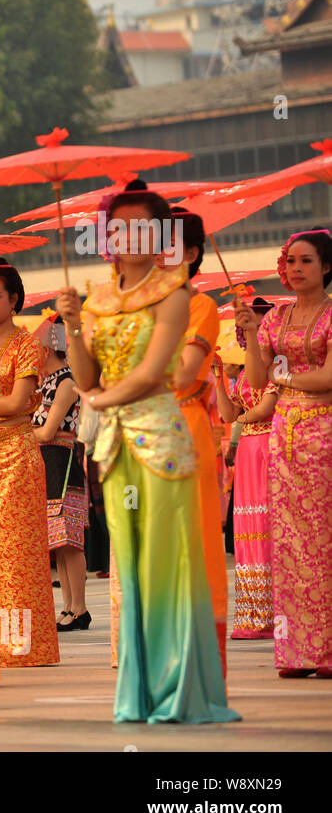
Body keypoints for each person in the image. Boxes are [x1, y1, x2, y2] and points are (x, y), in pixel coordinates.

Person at [56, 180, 237, 723]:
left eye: (140, 225)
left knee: (169, 560)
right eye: (117, 225)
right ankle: (139, 688)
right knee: (130, 564)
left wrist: (99, 399)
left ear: (160, 236)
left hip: (160, 436)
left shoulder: (176, 293)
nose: (126, 235)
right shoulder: (97, 299)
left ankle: (182, 686)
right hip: (114, 443)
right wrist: (72, 325)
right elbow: (86, 374)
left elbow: (156, 371)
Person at [235, 227, 332, 678]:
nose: (295, 269)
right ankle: (295, 652)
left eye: (306, 261)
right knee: (288, 543)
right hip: (283, 438)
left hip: (324, 433)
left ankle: (326, 649)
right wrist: (253, 335)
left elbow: (328, 379)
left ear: (327, 266)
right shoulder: (275, 317)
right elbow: (257, 381)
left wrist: (286, 377)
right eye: (290, 261)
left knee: (323, 541)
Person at [0, 261, 60, 667]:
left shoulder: (26, 346)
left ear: (14, 300)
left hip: (16, 452)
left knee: (19, 551)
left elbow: (17, 402)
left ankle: (25, 645)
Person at [168, 207, 230, 672]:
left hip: (183, 429)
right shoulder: (136, 307)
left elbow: (186, 373)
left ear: (190, 253)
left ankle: (197, 668)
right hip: (138, 433)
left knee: (194, 546)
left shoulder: (200, 306)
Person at [212, 306, 278, 640]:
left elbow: (265, 409)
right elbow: (227, 413)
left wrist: (243, 418)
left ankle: (275, 613)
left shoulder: (279, 367)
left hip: (269, 448)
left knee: (268, 527)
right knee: (248, 530)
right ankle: (254, 614)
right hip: (249, 455)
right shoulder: (244, 378)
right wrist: (219, 379)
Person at [31, 319, 89, 630]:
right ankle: (68, 607)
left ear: (49, 348)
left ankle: (78, 607)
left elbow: (49, 430)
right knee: (59, 542)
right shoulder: (44, 382)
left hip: (62, 461)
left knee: (70, 541)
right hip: (46, 462)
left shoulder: (66, 382)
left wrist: (15, 431)